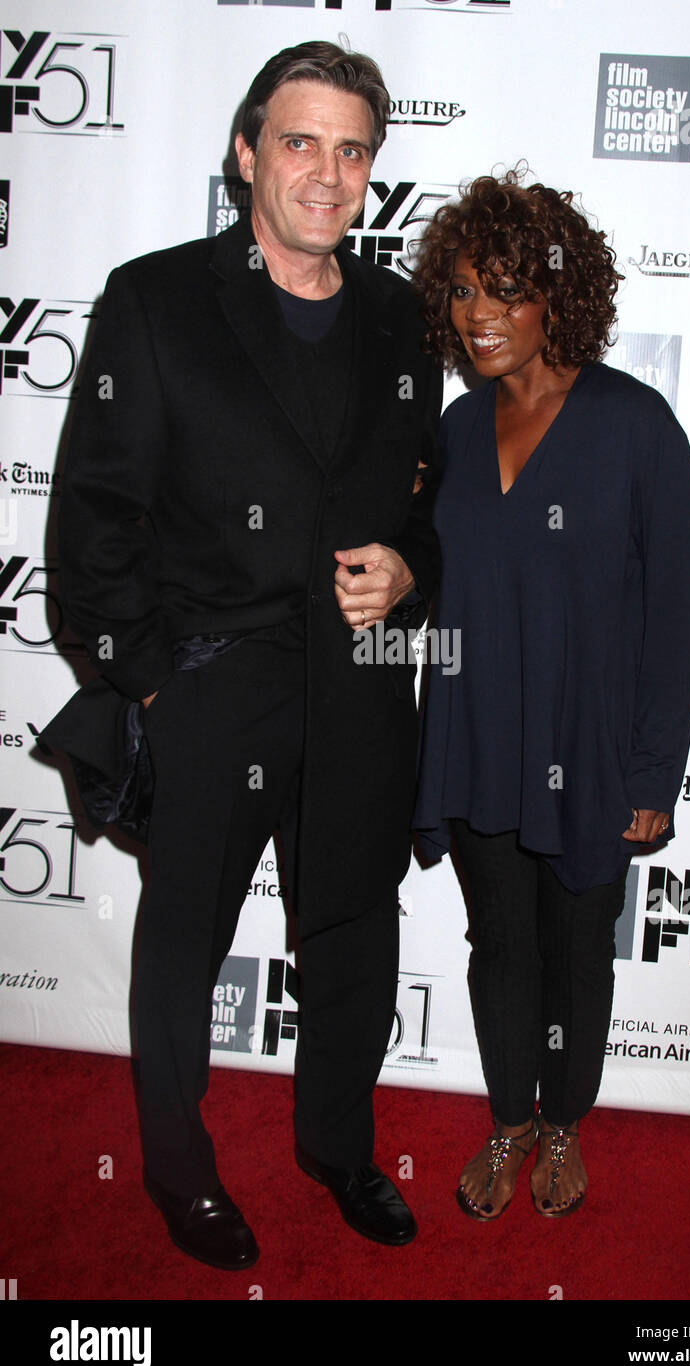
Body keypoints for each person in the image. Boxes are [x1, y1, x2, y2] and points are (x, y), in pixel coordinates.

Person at [49, 41, 442, 1266]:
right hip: (215, 686)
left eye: (351, 149)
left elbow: (422, 506)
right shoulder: (155, 300)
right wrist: (159, 680)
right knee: (183, 947)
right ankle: (178, 1170)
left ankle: (337, 1143)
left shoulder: (398, 317)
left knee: (355, 940)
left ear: (371, 170)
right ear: (246, 154)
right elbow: (94, 522)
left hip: (362, 689)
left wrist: (412, 569)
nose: (326, 173)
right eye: (299, 141)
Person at [411, 172, 690, 1220]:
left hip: (591, 745)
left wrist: (650, 775)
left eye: (503, 290)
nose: (479, 316)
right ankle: (508, 1121)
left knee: (579, 950)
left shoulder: (636, 425)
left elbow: (676, 617)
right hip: (482, 737)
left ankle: (566, 1123)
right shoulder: (451, 429)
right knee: (501, 942)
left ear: (555, 293)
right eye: (459, 292)